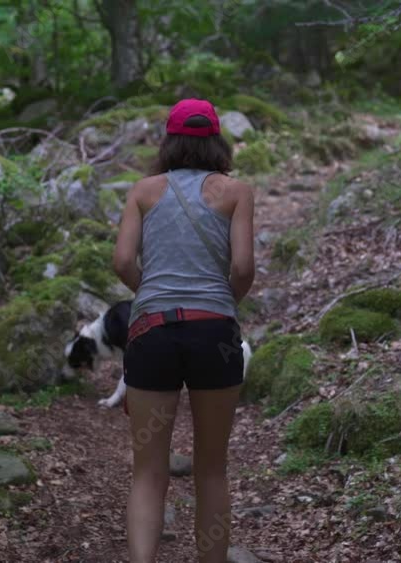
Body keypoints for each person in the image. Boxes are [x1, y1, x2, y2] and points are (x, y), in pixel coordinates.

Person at [112, 98, 256, 563]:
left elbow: (121, 262)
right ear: (217, 141)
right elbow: (243, 267)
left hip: (153, 332)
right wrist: (220, 305)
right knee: (211, 469)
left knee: (148, 472)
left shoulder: (143, 191)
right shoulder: (236, 192)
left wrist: (150, 294)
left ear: (169, 142)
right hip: (213, 333)